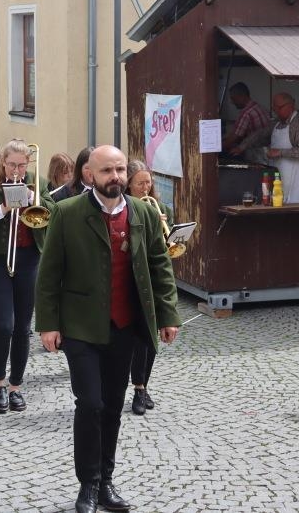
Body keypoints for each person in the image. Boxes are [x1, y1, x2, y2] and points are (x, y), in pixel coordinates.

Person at [35, 146, 181, 513]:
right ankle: (87, 484)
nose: (115, 177)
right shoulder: (67, 213)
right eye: (107, 171)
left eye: (119, 170)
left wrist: (168, 315)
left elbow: (159, 266)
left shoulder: (144, 213)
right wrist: (48, 324)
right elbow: (49, 273)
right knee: (90, 403)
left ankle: (106, 482)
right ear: (90, 174)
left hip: (125, 325)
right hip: (81, 326)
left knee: (113, 406)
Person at [0, 139, 55, 414]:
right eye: (11, 165)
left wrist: (33, 200)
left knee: (22, 327)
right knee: (4, 325)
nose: (17, 171)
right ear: (2, 163)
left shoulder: (36, 183)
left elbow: (54, 214)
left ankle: (16, 385)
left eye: (21, 165)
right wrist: (3, 209)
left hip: (28, 260)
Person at [125, 159, 171, 416]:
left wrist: (163, 227)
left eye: (148, 182)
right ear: (129, 184)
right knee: (135, 338)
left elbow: (167, 247)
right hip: (130, 277)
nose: (145, 187)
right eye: (140, 183)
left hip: (153, 278)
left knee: (150, 337)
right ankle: (136, 386)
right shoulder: (124, 207)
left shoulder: (159, 206)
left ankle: (142, 387)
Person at [244, 93, 299, 204]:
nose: (276, 110)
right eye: (274, 107)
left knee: (290, 207)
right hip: (279, 176)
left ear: (291, 106)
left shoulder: (298, 124)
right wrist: (242, 146)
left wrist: (280, 152)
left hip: (294, 178)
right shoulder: (277, 122)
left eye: (279, 107)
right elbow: (261, 134)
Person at [223, 82, 270, 156]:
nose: (232, 102)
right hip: (266, 150)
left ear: (242, 96)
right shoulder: (260, 107)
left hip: (255, 152)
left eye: (233, 99)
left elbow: (234, 138)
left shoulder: (246, 113)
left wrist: (217, 149)